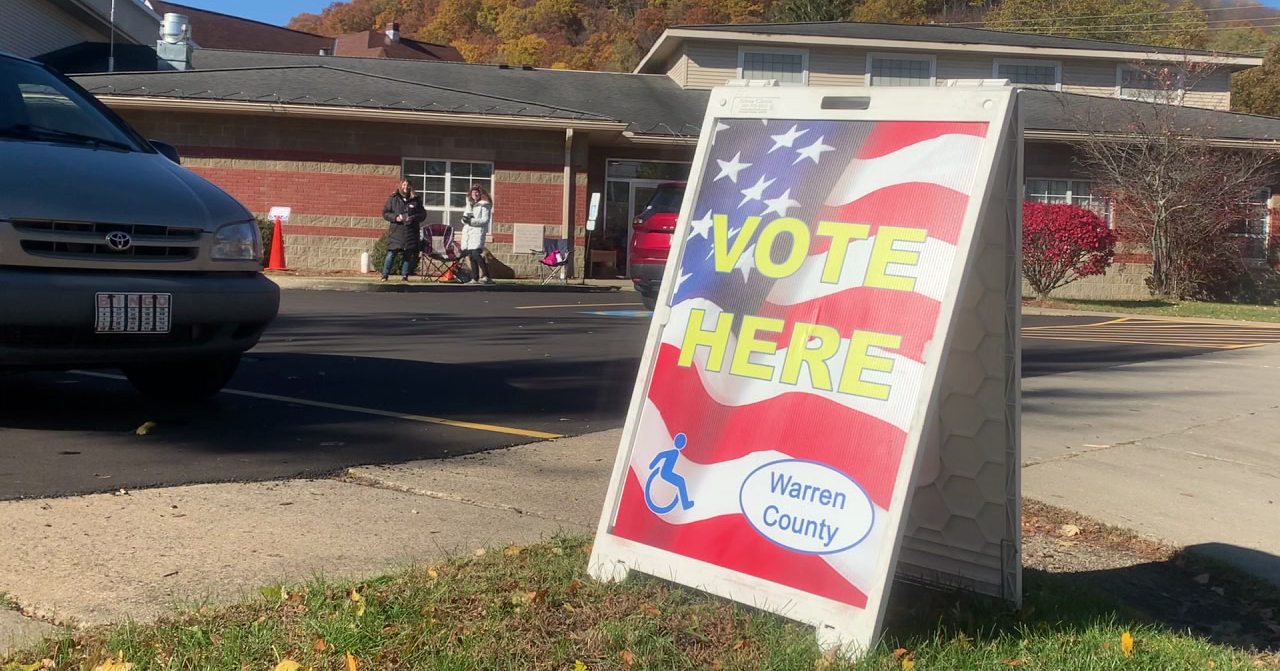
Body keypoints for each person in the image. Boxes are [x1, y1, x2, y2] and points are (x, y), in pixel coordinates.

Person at [381, 179, 425, 281]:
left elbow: (423, 214)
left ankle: (405, 276)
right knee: (391, 254)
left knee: (408, 254)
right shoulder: (393, 198)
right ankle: (385, 275)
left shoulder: (416, 199)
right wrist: (396, 218)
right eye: (404, 185)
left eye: (408, 185)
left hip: (411, 231)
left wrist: (413, 218)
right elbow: (385, 213)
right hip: (397, 231)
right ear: (400, 186)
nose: (406, 187)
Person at [460, 185, 494, 285]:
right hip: (469, 232)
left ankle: (487, 276)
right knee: (471, 255)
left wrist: (472, 221)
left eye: (477, 192)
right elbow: (466, 216)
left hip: (477, 232)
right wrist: (464, 220)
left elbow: (485, 220)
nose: (475, 194)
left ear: (481, 193)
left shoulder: (484, 205)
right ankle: (474, 278)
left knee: (476, 254)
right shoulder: (470, 204)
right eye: (473, 192)